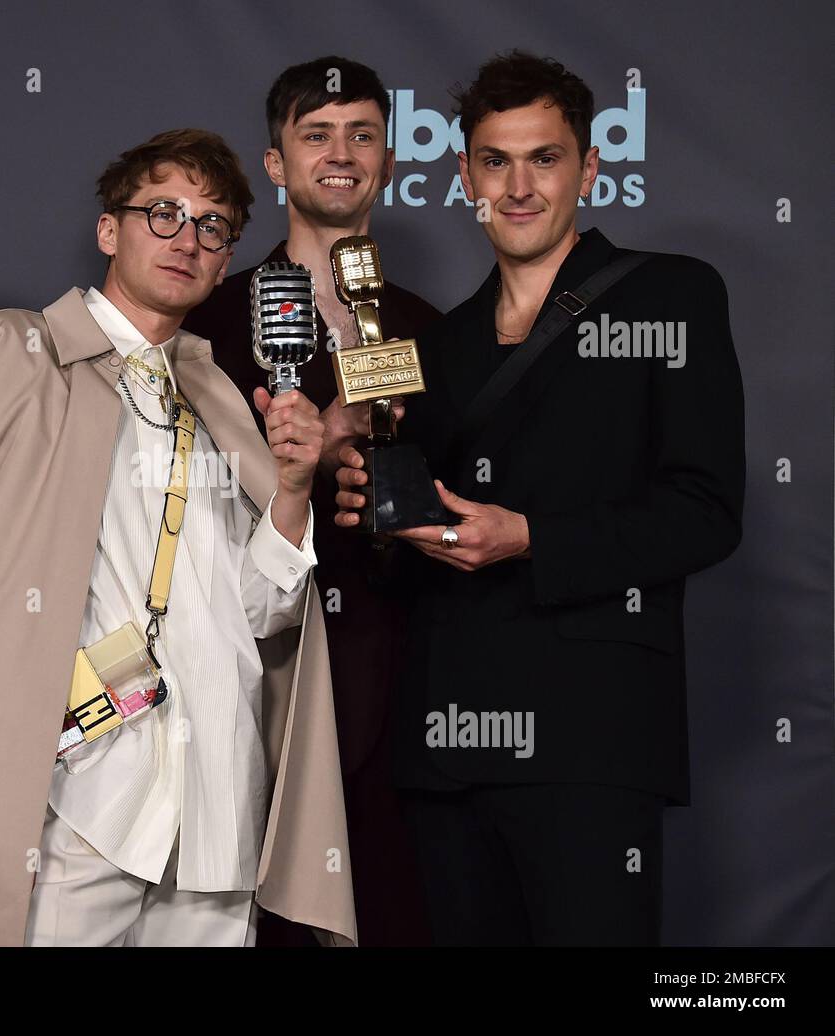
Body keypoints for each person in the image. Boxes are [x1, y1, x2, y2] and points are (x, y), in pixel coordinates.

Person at [0, 129, 356, 947]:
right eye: (163, 212)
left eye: (212, 226)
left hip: (212, 815)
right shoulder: (7, 354)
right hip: (63, 808)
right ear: (109, 229)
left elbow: (262, 617)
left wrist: (296, 492)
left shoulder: (228, 404)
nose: (186, 239)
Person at [335, 50, 745, 945]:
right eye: (494, 161)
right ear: (465, 178)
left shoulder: (671, 293)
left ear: (591, 169)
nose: (518, 186)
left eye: (545, 159)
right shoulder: (432, 350)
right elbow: (413, 552)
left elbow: (707, 510)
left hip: (592, 738)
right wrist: (375, 513)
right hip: (444, 745)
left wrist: (533, 538)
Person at [185, 55, 439, 945]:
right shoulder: (207, 326)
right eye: (317, 134)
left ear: (388, 158)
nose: (342, 153)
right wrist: (309, 449)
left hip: (402, 683)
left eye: (363, 135)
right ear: (276, 163)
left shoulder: (431, 326)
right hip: (255, 676)